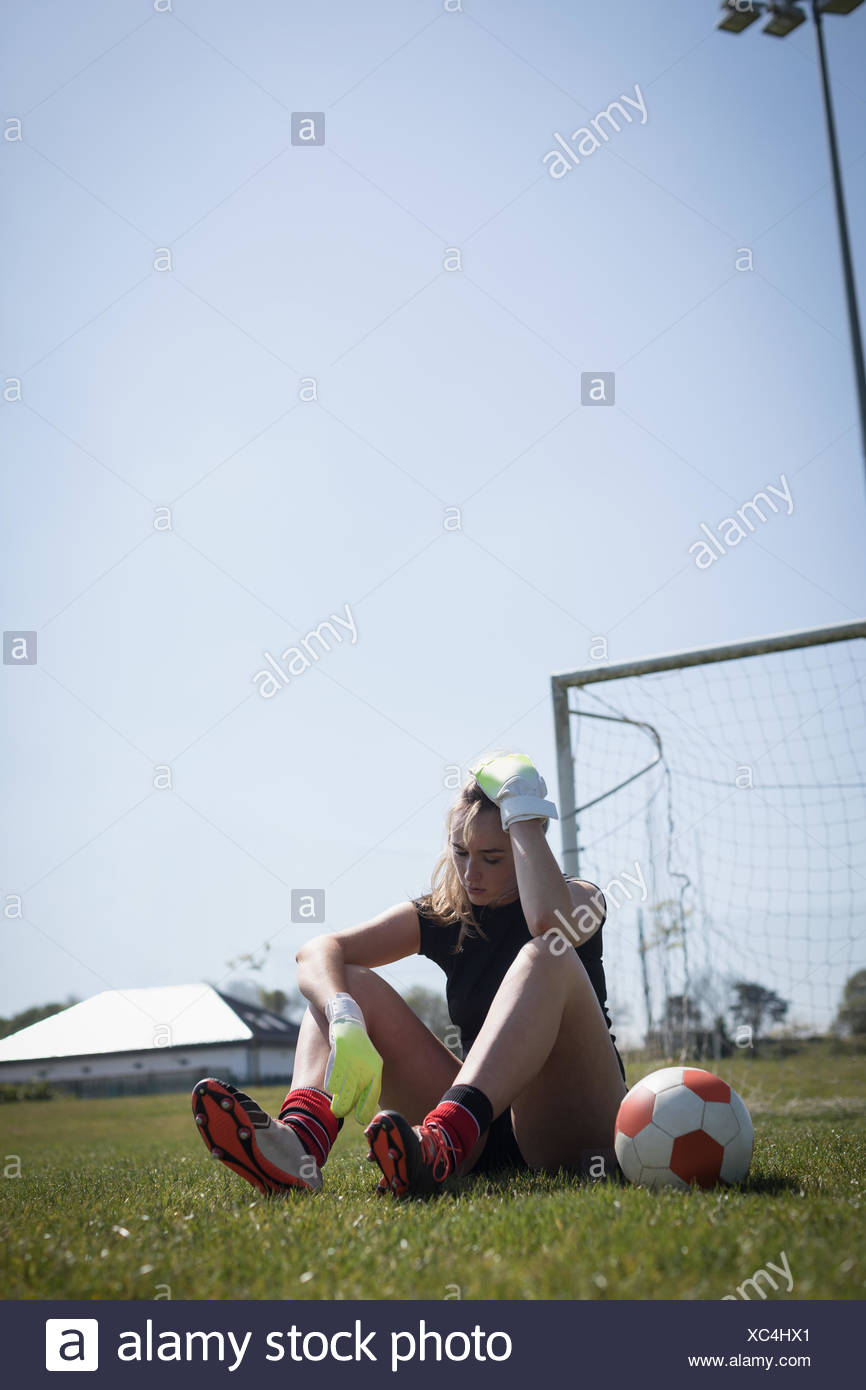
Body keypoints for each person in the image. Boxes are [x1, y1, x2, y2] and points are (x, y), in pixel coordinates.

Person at [191, 752, 627, 1200]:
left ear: (523, 843)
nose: (470, 872)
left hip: (570, 1129)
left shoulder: (580, 898)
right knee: (346, 982)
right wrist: (344, 1017)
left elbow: (546, 923)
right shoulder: (448, 912)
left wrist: (525, 814)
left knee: (545, 953)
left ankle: (445, 1135)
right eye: (460, 852)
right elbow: (317, 952)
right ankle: (299, 1145)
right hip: (474, 1133)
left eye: (492, 858)